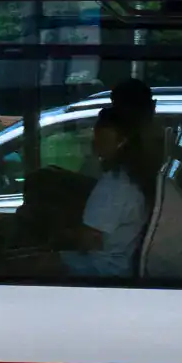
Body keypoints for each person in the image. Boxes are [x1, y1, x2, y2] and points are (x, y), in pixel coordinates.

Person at [59, 106, 154, 278]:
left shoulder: (116, 185)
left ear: (121, 141)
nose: (95, 142)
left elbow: (90, 240)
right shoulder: (129, 177)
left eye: (101, 136)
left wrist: (58, 234)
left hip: (102, 268)